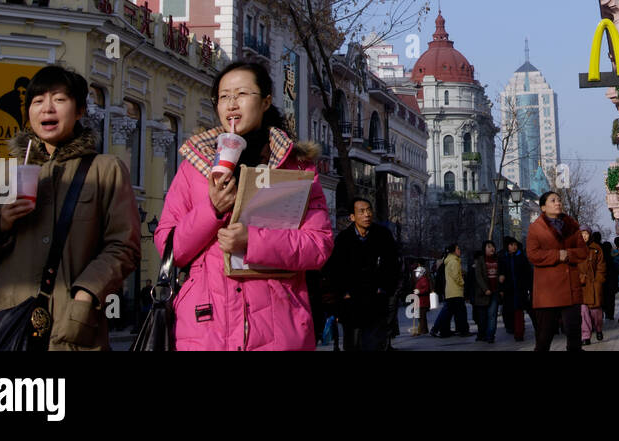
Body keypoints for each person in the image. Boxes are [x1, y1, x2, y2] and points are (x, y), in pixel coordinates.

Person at [0, 65, 139, 351]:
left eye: (59, 99)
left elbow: (124, 246)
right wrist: (1, 224)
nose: (47, 108)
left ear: (79, 110)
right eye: (38, 101)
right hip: (9, 325)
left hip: (75, 328)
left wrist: (85, 294)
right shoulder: (4, 174)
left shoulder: (106, 170)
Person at [154, 59, 334, 350]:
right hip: (205, 329)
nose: (231, 104)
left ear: (265, 102)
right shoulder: (193, 167)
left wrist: (253, 241)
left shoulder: (295, 167)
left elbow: (318, 246)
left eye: (241, 94)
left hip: (278, 327)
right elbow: (168, 247)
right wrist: (211, 211)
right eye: (224, 96)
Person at [322, 197, 399, 351]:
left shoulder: (383, 235)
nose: (367, 215)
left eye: (369, 210)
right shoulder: (344, 239)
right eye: (362, 211)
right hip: (352, 303)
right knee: (353, 345)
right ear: (352, 216)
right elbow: (333, 270)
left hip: (376, 300)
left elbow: (393, 265)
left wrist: (384, 289)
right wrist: (343, 293)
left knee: (374, 345)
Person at [526, 190, 587, 352]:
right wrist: (556, 255)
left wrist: (568, 254)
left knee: (574, 334)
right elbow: (532, 254)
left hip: (570, 288)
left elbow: (583, 251)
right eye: (553, 200)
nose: (558, 203)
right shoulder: (536, 228)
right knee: (544, 336)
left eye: (559, 200)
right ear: (543, 207)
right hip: (548, 291)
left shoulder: (572, 225)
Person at [430, 243, 471, 337]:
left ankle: (440, 330)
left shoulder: (449, 261)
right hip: (455, 291)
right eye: (458, 248)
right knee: (458, 312)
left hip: (450, 291)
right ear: (453, 251)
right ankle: (462, 331)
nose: (459, 250)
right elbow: (456, 276)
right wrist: (462, 283)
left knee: (448, 312)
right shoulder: (454, 261)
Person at [498, 236, 532, 341]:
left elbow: (528, 273)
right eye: (511, 245)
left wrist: (528, 286)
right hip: (509, 290)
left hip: (521, 289)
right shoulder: (504, 258)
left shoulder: (521, 257)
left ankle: (520, 332)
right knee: (512, 311)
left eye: (515, 245)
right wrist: (501, 286)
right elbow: (501, 273)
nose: (514, 247)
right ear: (507, 246)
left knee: (522, 311)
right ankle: (515, 330)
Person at [578, 228, 607, 345]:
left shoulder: (596, 248)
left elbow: (602, 266)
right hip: (582, 285)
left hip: (594, 284)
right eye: (582, 234)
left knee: (596, 313)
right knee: (583, 312)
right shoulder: (575, 249)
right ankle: (586, 336)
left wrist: (599, 280)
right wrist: (579, 278)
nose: (584, 236)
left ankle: (599, 329)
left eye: (586, 234)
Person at [471, 240, 500, 342]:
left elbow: (500, 273)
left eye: (493, 246)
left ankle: (490, 335)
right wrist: (485, 289)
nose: (492, 248)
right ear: (484, 249)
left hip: (494, 292)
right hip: (483, 294)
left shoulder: (497, 260)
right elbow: (478, 277)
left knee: (492, 315)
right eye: (489, 247)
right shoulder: (480, 260)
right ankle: (482, 334)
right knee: (483, 317)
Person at [411, 264, 432, 335]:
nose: (416, 273)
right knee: (421, 316)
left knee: (421, 316)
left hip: (423, 301)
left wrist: (419, 291)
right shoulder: (420, 280)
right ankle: (423, 329)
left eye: (417, 272)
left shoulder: (423, 279)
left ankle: (423, 330)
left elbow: (426, 289)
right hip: (420, 301)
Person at [600, 240, 618, 320]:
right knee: (611, 299)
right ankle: (610, 315)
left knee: (604, 298)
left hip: (603, 283)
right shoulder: (611, 258)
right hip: (611, 282)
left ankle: (606, 313)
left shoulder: (601, 259)